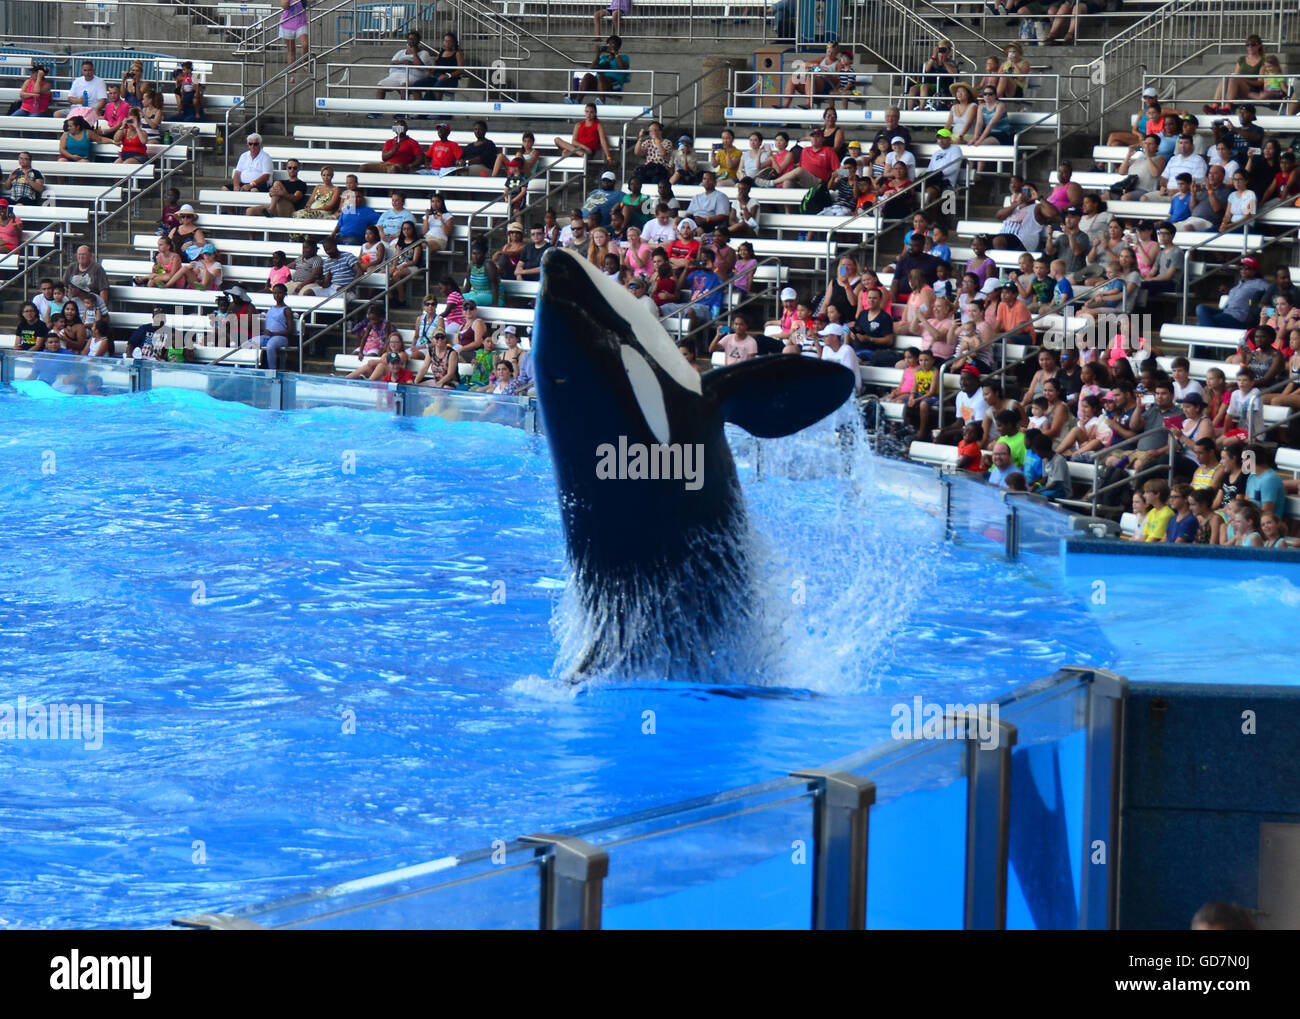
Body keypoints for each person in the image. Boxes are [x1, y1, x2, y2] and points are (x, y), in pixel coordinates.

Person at [1197, 255, 1269, 328]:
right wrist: (1228, 291)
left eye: (1247, 268)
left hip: (1238, 317)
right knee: (1201, 308)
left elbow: (1273, 292)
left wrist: (1270, 311)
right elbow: (1242, 296)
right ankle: (1211, 332)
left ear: (1255, 271)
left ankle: (1210, 333)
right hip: (1225, 311)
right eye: (1241, 268)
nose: (1243, 270)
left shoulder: (1260, 283)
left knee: (1201, 323)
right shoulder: (1240, 283)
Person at [411, 31, 466, 100]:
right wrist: (430, 72)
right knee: (416, 86)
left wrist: (448, 75)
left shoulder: (457, 54)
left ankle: (437, 107)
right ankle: (420, 107)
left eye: (449, 41)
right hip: (435, 77)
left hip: (450, 79)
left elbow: (461, 70)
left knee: (438, 86)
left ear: (454, 43)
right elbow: (435, 65)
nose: (447, 43)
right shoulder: (441, 52)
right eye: (445, 41)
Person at [573, 34, 629, 100]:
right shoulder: (603, 58)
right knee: (587, 75)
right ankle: (578, 100)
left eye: (613, 44)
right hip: (599, 82)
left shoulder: (624, 57)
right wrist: (597, 54)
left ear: (618, 46)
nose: (610, 46)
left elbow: (623, 67)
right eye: (609, 44)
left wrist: (616, 53)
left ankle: (601, 101)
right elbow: (592, 68)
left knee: (600, 77)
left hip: (614, 84)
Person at [376, 30, 426, 100]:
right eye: (410, 39)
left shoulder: (423, 53)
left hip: (412, 75)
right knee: (381, 85)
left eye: (414, 39)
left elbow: (421, 66)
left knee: (404, 86)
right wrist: (403, 62)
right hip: (395, 75)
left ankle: (403, 108)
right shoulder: (401, 52)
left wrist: (414, 53)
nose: (412, 41)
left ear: (418, 40)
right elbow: (393, 62)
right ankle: (378, 109)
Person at [360, 119, 424, 174]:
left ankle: (392, 188)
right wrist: (394, 150)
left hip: (400, 166)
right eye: (397, 127)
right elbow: (384, 158)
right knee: (363, 167)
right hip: (386, 165)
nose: (400, 129)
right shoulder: (389, 141)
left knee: (393, 168)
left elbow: (420, 158)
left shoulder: (412, 142)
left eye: (402, 127)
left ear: (406, 128)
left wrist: (410, 166)